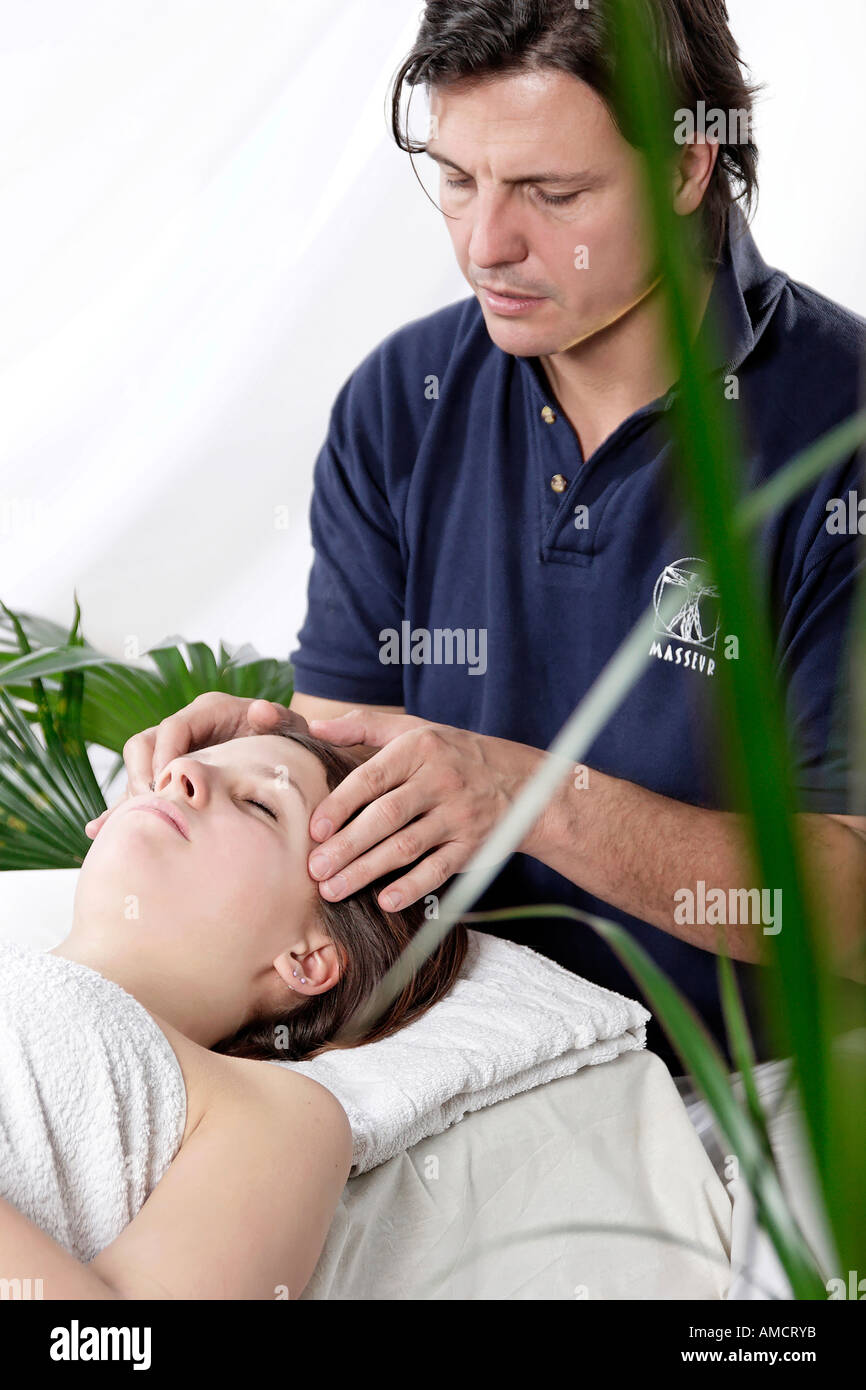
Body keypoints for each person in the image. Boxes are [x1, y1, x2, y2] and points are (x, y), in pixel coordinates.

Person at [88, 0, 866, 1078]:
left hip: (760, 1092)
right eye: (456, 179)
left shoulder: (839, 435)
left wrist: (531, 797)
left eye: (553, 194)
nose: (484, 246)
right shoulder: (400, 403)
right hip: (471, 1066)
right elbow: (366, 775)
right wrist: (275, 751)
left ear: (689, 167)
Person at [0, 731, 467, 1300]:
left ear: (308, 957)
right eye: (180, 764)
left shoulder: (273, 1113)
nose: (180, 775)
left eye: (259, 804)